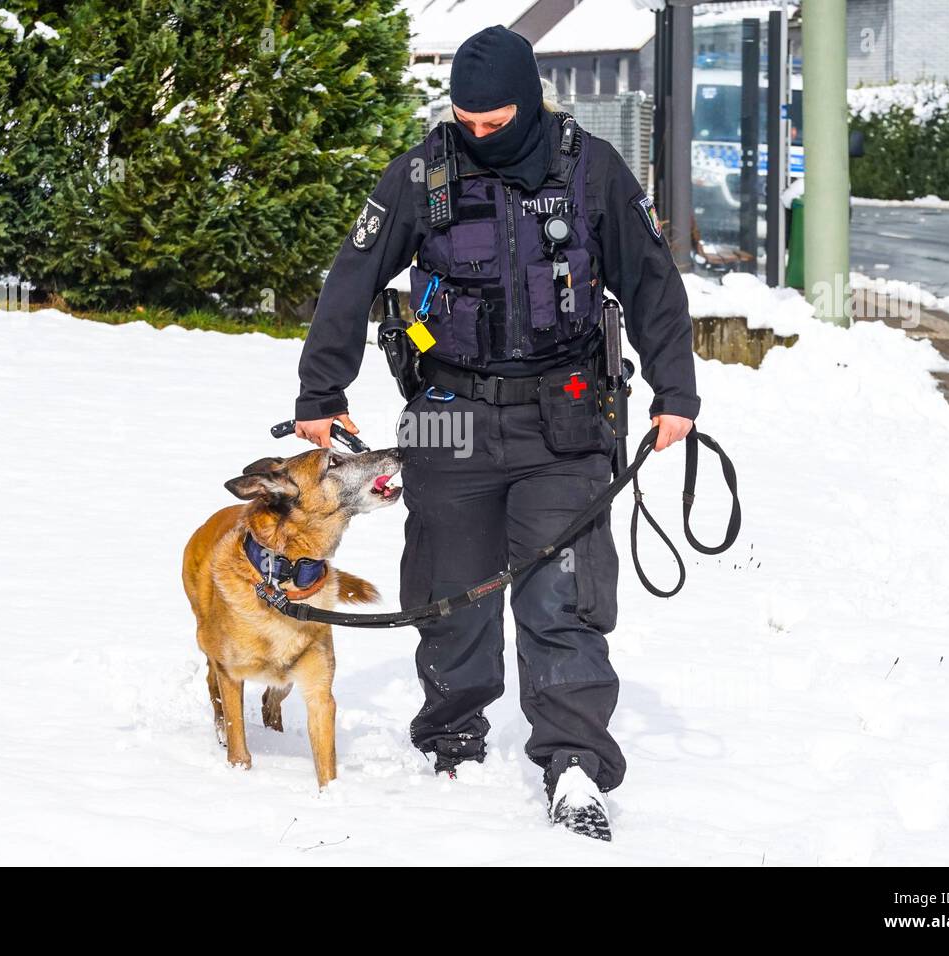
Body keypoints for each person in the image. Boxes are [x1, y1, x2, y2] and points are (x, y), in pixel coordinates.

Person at [292, 26, 698, 841]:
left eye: (495, 120)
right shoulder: (422, 175)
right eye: (465, 120)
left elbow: (653, 283)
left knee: (562, 598)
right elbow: (353, 276)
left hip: (566, 414)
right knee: (450, 593)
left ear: (530, 100)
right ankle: (452, 740)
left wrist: (675, 390)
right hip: (450, 414)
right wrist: (320, 389)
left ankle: (575, 763)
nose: (478, 134)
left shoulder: (591, 170)